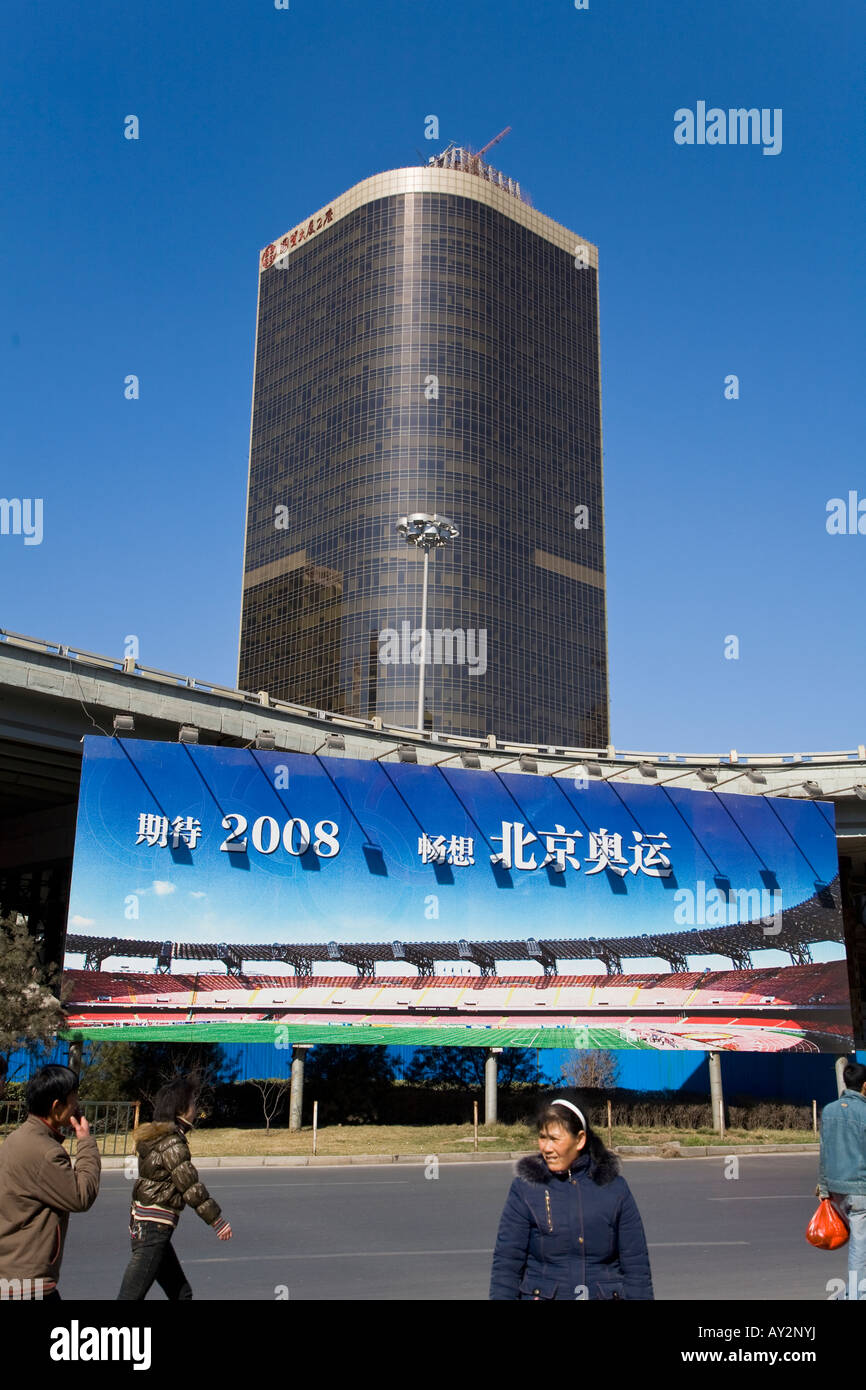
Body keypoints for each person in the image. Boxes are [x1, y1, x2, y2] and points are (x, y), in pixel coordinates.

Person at [490, 1094, 653, 1300]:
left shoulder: (615, 1188)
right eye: (542, 1137)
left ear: (580, 1139)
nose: (547, 1148)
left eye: (555, 1139)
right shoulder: (525, 1189)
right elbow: (507, 1265)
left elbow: (637, 1268)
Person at [117, 1077, 232, 1300]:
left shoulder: (157, 1139)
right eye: (191, 1103)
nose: (195, 1108)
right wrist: (217, 1221)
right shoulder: (172, 1143)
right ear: (180, 1110)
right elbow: (190, 1186)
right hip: (153, 1230)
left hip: (149, 1227)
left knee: (182, 1294)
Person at [0, 1063, 101, 1300]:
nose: (77, 1107)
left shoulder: (18, 1138)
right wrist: (86, 1142)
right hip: (29, 1283)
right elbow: (81, 1196)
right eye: (73, 1100)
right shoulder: (46, 1152)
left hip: (11, 1274)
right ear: (57, 1107)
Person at [816, 1059, 866, 1300]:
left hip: (837, 1191)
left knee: (861, 1245)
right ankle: (855, 1296)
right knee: (859, 1249)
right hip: (860, 1192)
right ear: (865, 1086)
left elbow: (824, 1151)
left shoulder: (829, 1110)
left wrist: (824, 1188)